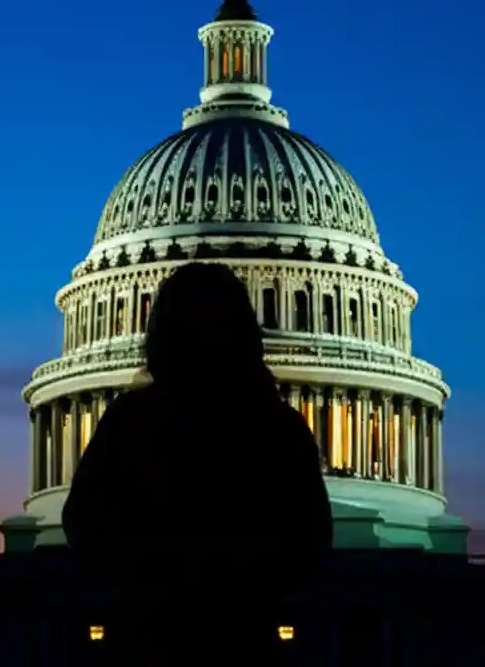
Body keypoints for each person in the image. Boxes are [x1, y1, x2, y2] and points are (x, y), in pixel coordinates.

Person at [63, 262, 334, 666]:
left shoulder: (131, 422)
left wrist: (151, 574)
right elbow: (308, 543)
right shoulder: (278, 429)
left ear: (161, 334)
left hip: (148, 639)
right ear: (246, 334)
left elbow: (83, 524)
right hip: (244, 640)